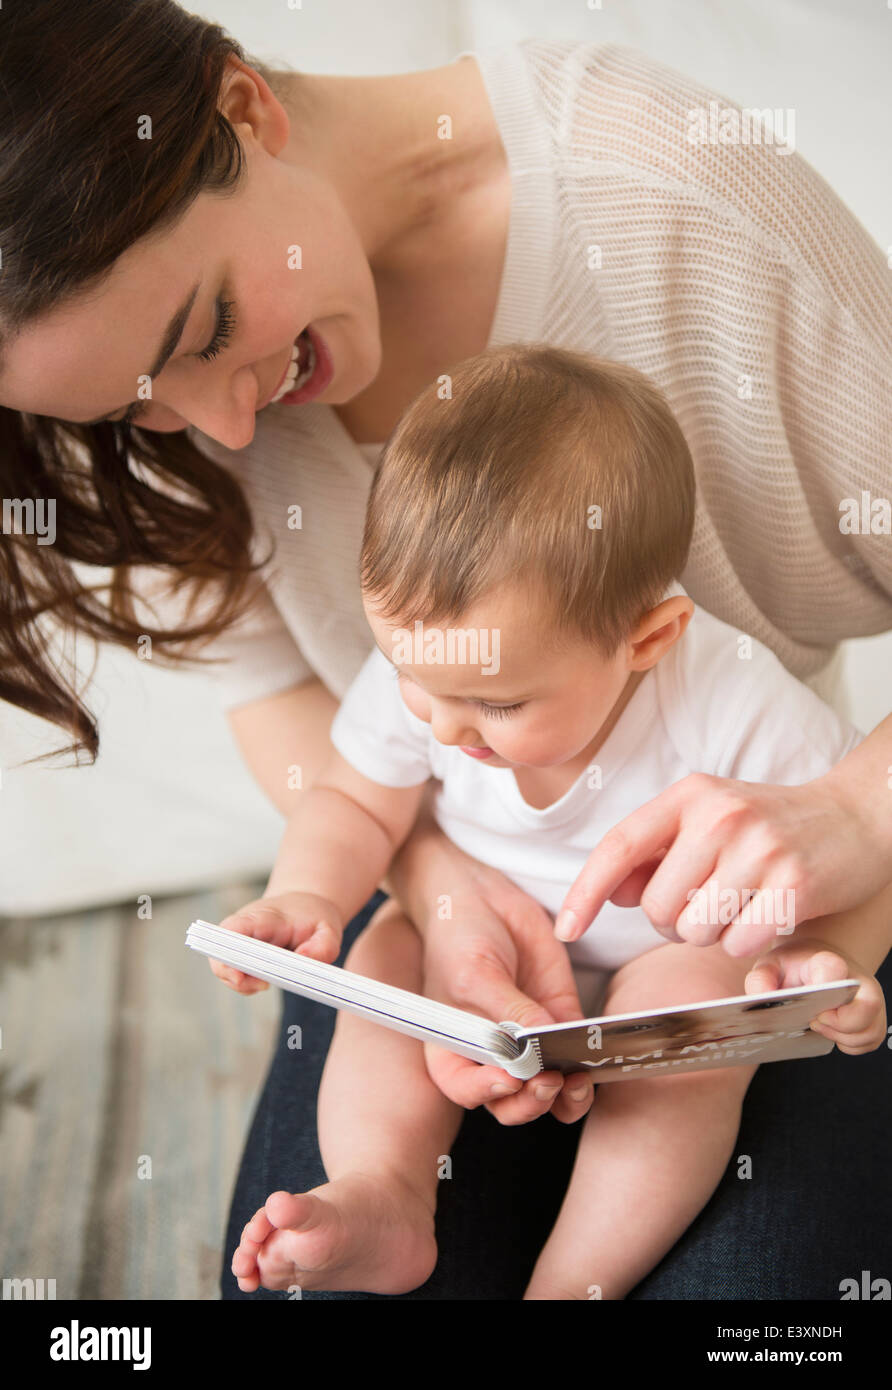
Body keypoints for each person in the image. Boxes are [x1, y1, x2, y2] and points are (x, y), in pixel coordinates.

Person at [0, 2, 889, 1298]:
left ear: (246, 111)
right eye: (140, 406)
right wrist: (420, 887)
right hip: (447, 896)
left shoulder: (671, 195)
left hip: (716, 913)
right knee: (339, 1160)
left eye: (199, 332)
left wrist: (852, 844)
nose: (221, 431)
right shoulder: (263, 502)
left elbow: (809, 911)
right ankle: (384, 1194)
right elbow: (314, 737)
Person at [210, 345, 888, 1299]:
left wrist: (834, 963)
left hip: (658, 949)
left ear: (646, 639)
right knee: (385, 958)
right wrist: (306, 896)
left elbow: (845, 852)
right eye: (417, 681)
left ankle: (578, 1279)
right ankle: (387, 1191)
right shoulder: (436, 674)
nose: (442, 724)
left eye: (496, 704)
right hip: (469, 932)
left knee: (689, 1048)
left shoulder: (728, 697)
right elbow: (353, 801)